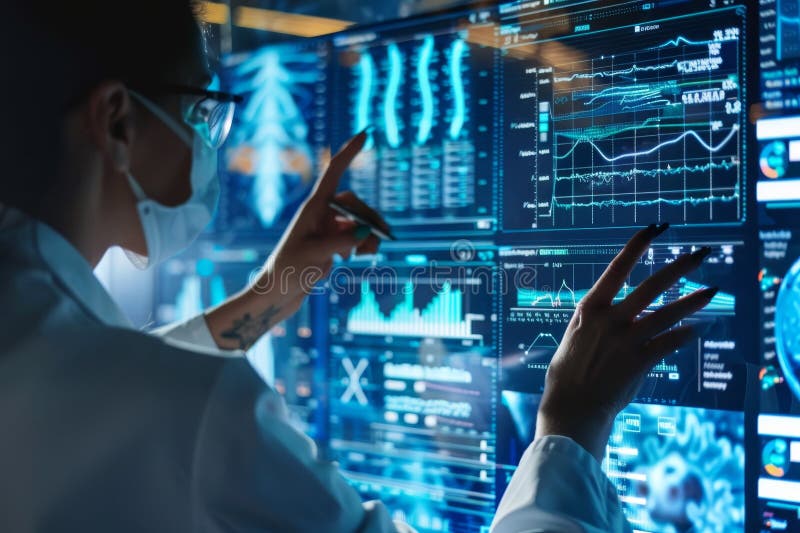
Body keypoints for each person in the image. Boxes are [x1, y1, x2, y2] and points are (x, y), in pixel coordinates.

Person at [0, 2, 717, 531]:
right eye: (199, 112)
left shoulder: (36, 344)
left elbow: (106, 383)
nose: (206, 141)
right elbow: (160, 405)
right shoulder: (194, 415)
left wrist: (277, 290)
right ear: (118, 122)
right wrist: (571, 429)